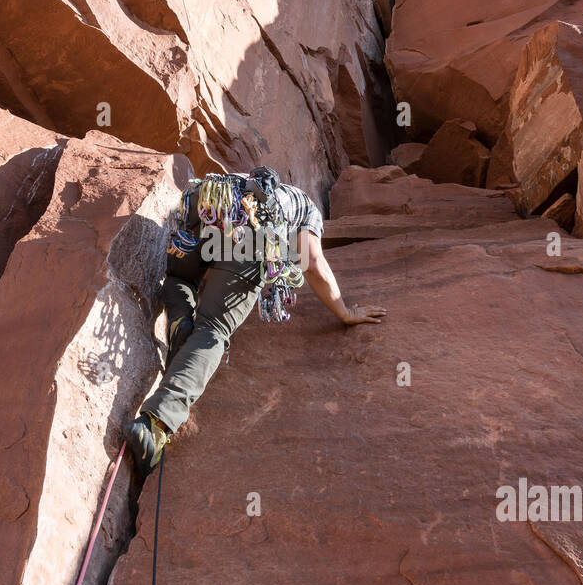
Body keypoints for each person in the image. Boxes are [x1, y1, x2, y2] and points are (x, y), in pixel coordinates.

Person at [124, 166, 386, 477]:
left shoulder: (255, 185)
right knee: (213, 329)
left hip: (204, 204)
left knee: (180, 277)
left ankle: (181, 323)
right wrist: (344, 310)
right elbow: (311, 259)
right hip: (247, 230)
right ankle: (155, 425)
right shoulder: (306, 210)